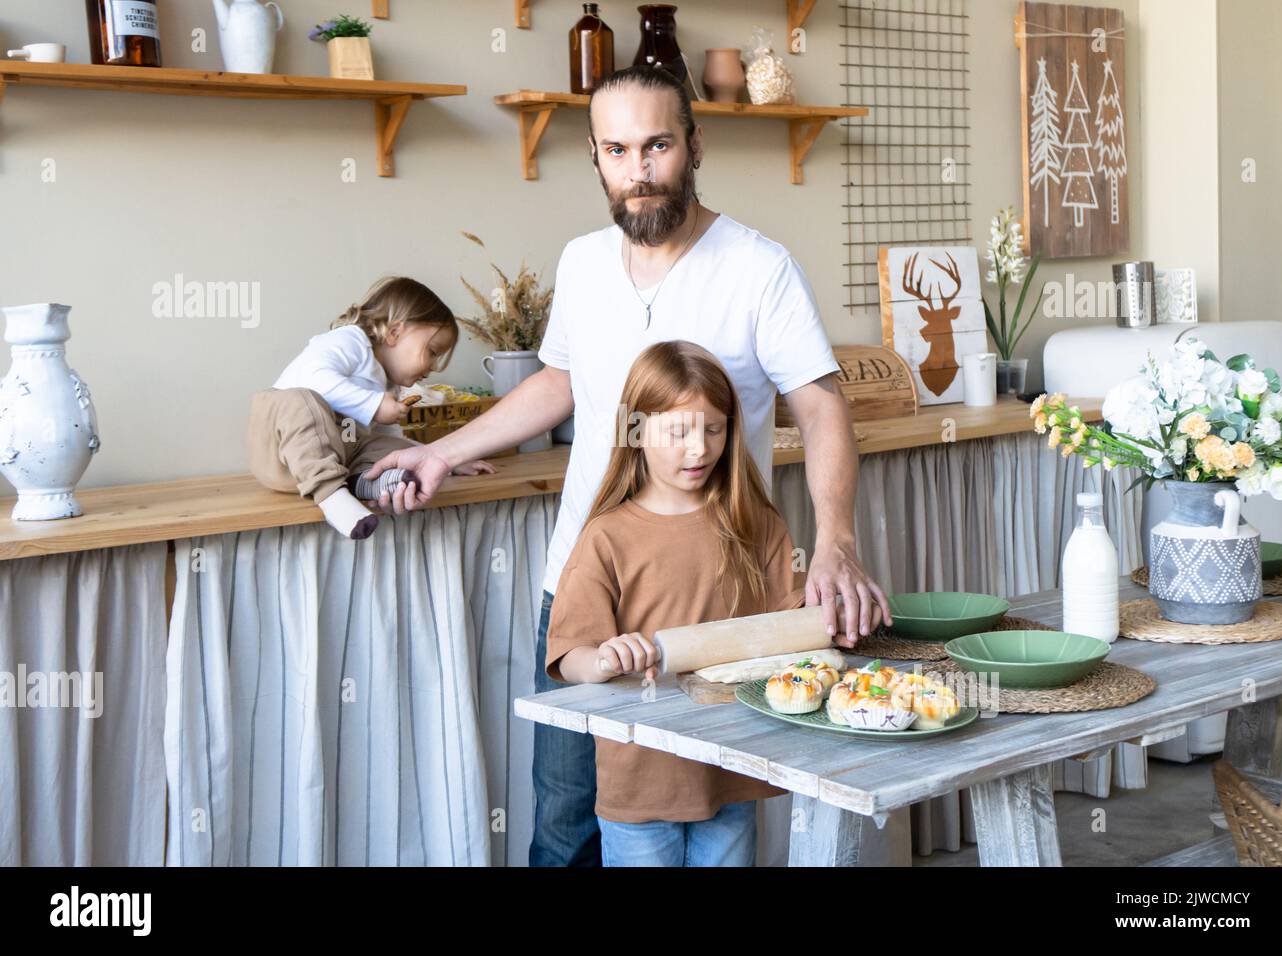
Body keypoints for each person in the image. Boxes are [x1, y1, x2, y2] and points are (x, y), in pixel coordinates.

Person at [362, 66, 891, 866]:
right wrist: (437, 452)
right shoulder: (580, 262)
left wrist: (837, 540)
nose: (638, 170)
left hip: (717, 597)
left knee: (716, 809)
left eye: (657, 145)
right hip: (587, 584)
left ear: (694, 145)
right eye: (617, 150)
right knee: (568, 820)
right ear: (597, 157)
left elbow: (821, 406)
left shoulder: (758, 267)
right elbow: (561, 383)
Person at [546, 341, 805, 866]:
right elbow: (568, 656)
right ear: (637, 432)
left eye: (713, 429)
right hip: (641, 778)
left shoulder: (758, 524)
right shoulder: (606, 536)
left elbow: (795, 627)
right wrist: (604, 658)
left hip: (732, 766)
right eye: (678, 432)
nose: (699, 449)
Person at [247, 276, 494, 539]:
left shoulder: (388, 384)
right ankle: (331, 497)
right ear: (395, 332)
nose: (433, 366)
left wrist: (443, 459)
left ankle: (365, 482)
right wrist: (374, 404)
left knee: (386, 447)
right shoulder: (349, 342)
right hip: (280, 452)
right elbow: (312, 377)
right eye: (433, 351)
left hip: (335, 461)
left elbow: (390, 440)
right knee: (301, 400)